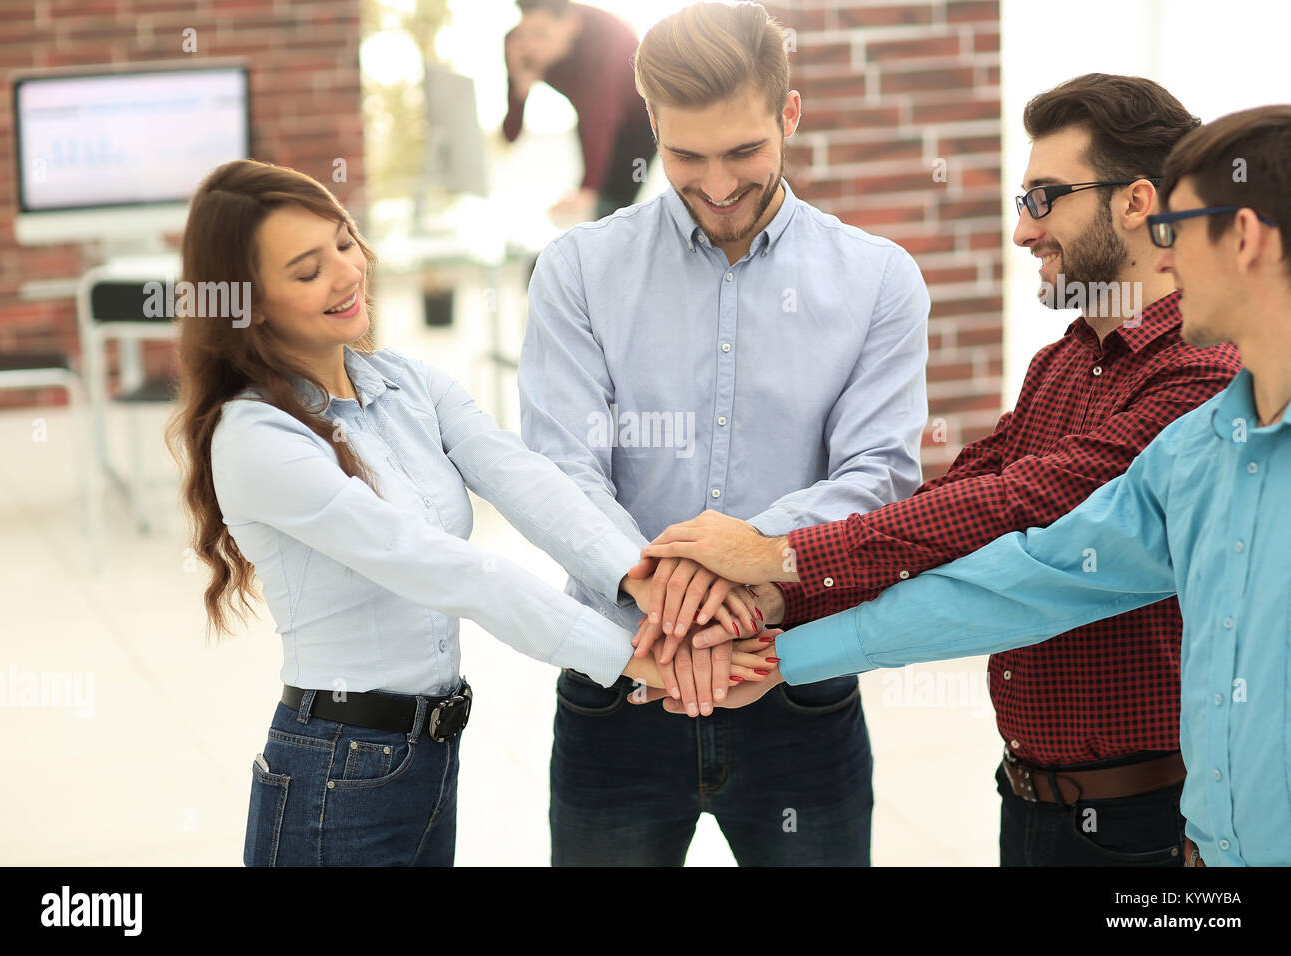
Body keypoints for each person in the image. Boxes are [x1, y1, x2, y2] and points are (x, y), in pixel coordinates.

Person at [635, 74, 1245, 866]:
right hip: (1030, 804)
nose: (1023, 233)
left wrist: (779, 556)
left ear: (1135, 203)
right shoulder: (1059, 366)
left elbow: (1021, 506)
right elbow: (955, 503)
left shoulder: (1201, 374)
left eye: (1042, 200)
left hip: (1145, 827)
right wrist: (772, 596)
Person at [165, 158, 776, 867]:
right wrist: (638, 658)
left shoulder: (404, 381)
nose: (345, 271)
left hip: (425, 759)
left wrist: (646, 581)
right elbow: (448, 570)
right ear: (251, 305)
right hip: (333, 774)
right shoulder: (257, 437)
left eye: (343, 241)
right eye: (307, 271)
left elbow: (523, 479)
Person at [519, 1, 930, 866]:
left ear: (789, 113)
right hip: (618, 679)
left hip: (797, 683)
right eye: (685, 155)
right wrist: (664, 596)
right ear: (654, 126)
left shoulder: (879, 281)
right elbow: (562, 470)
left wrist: (745, 576)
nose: (715, 185)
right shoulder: (578, 271)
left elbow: (879, 475)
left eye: (742, 152)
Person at [503, 0, 656, 222]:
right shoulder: (519, 46)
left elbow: (601, 115)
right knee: (588, 215)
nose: (532, 46)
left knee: (616, 207)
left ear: (571, 25)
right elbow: (510, 134)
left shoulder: (603, 38)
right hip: (589, 122)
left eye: (541, 35)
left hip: (640, 123)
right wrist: (519, 88)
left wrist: (588, 190)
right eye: (526, 33)